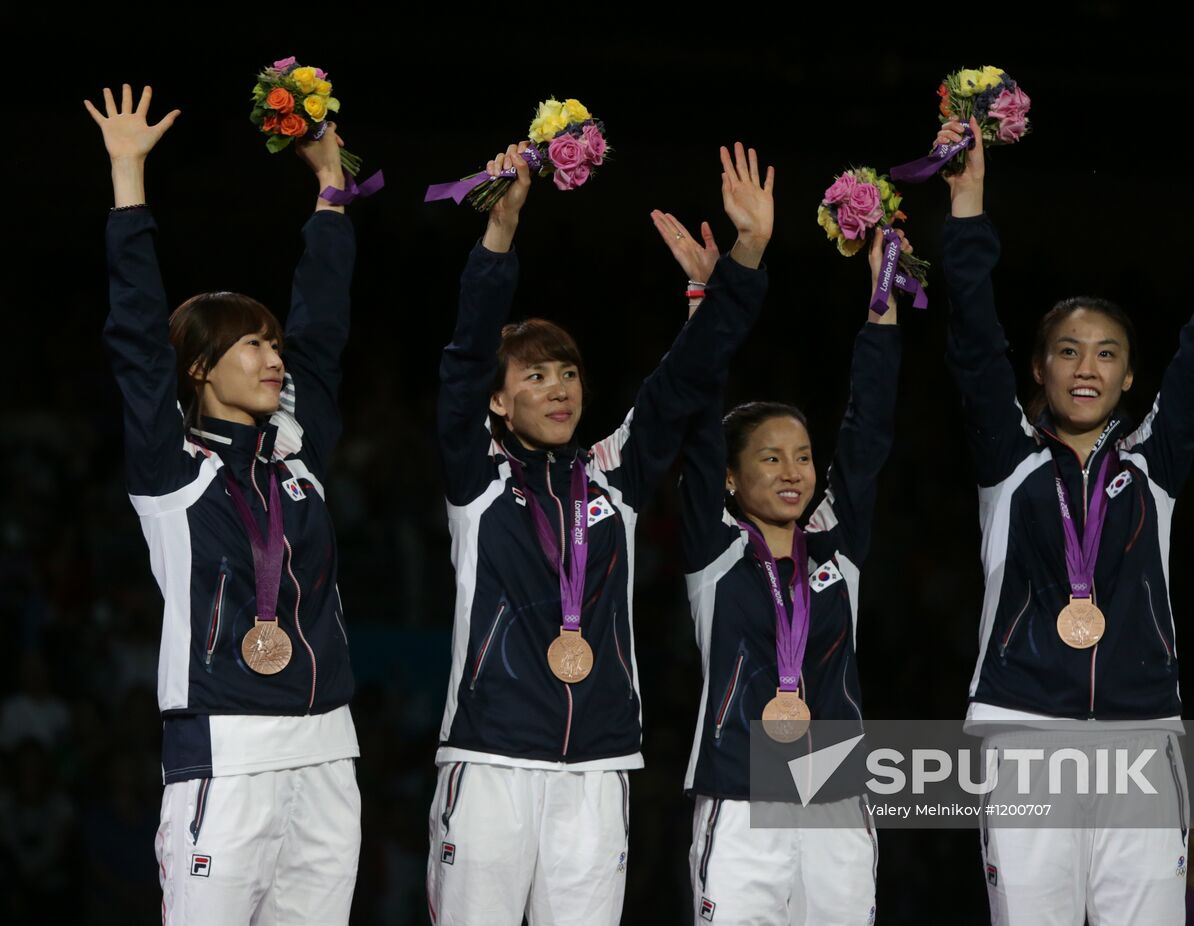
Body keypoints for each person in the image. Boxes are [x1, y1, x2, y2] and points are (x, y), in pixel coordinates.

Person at [936, 116, 1194, 924]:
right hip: (1025, 730)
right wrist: (968, 211)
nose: (1086, 366)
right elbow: (970, 341)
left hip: (1141, 735)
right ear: (1039, 369)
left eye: (1105, 352)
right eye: (1067, 350)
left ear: (1129, 374)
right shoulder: (1010, 460)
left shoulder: (1152, 466)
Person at [427, 142, 774, 925]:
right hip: (491, 761)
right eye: (535, 376)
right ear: (497, 403)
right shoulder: (477, 477)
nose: (558, 389)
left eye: (569, 373)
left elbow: (682, 385)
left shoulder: (611, 477)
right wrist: (500, 235)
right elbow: (461, 362)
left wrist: (743, 262)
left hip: (600, 764)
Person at [88, 83, 364, 925]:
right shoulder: (173, 470)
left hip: (327, 754)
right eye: (252, 343)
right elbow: (137, 342)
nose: (274, 356)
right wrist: (127, 181)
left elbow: (323, 325)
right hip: (226, 751)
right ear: (202, 370)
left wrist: (332, 196)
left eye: (272, 342)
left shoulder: (295, 450)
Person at [651, 208, 908, 924]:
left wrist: (881, 301)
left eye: (802, 456)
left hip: (835, 796)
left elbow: (867, 435)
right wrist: (707, 301)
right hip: (741, 794)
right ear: (731, 479)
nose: (794, 471)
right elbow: (698, 423)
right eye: (771, 457)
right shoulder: (716, 551)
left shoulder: (836, 546)